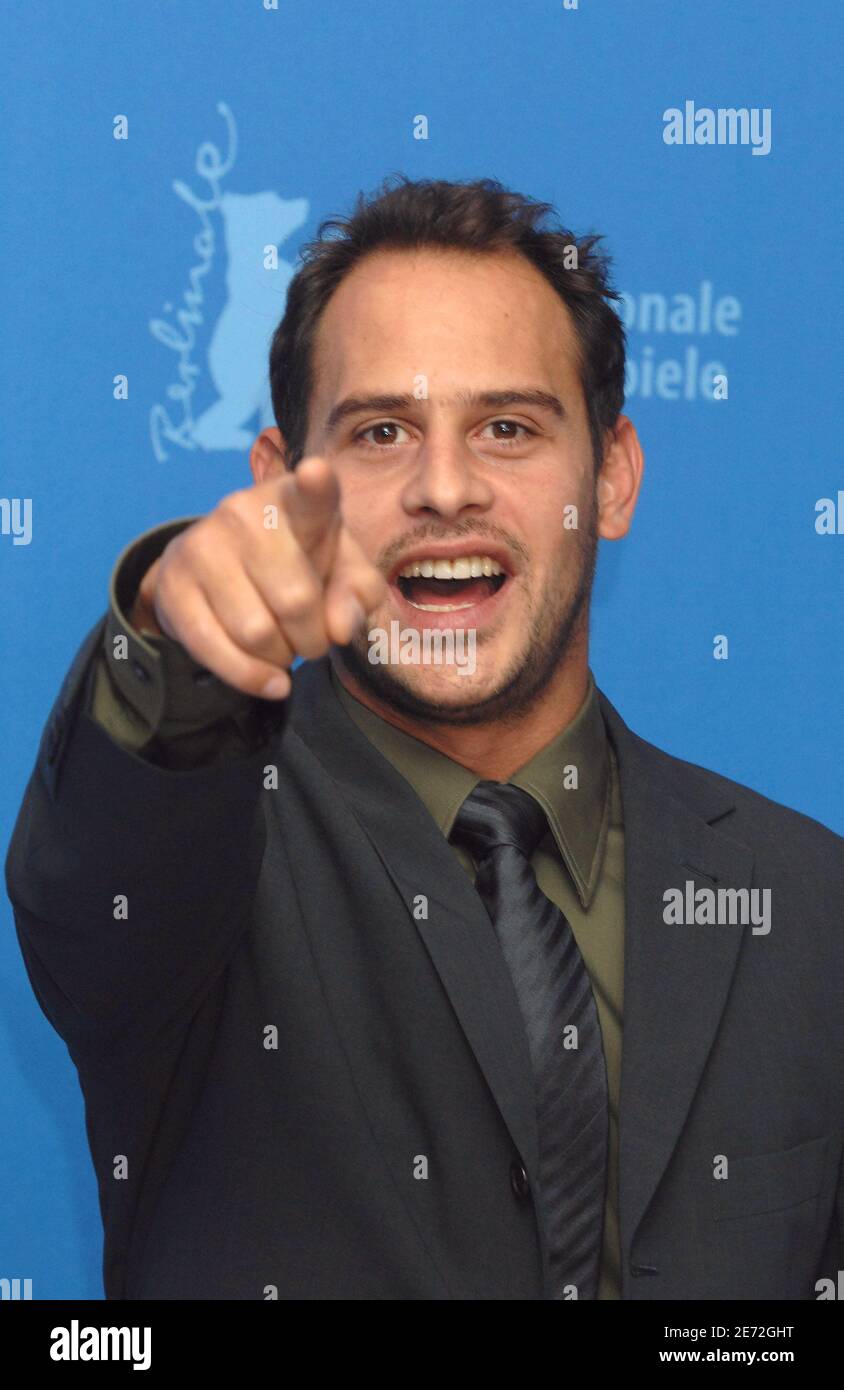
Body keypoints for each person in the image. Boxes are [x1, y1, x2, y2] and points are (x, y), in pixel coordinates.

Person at [6, 176, 843, 1301]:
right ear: (281, 488)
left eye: (507, 427)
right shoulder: (200, 859)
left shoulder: (806, 898)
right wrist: (176, 633)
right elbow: (106, 854)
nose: (443, 488)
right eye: (381, 430)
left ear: (611, 476)